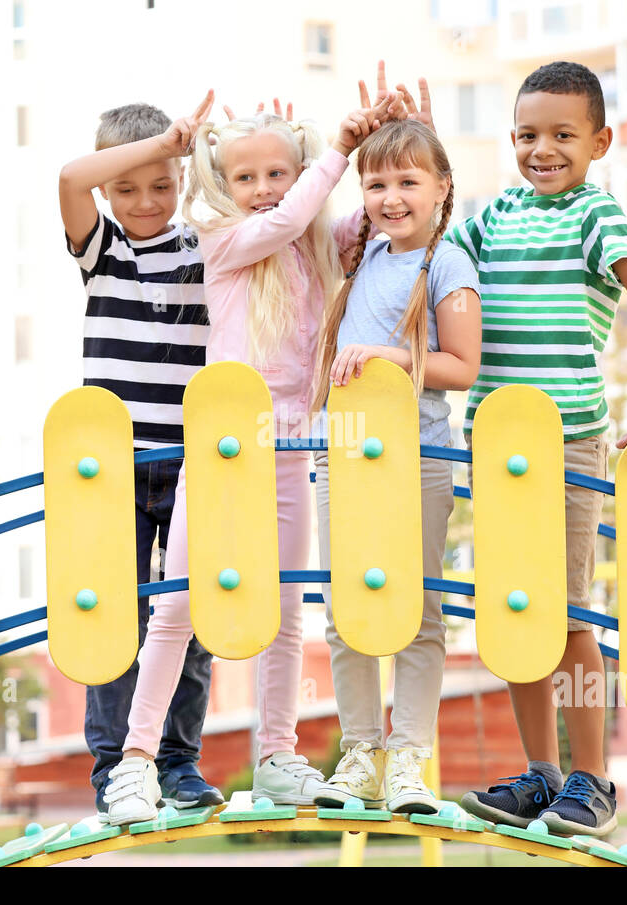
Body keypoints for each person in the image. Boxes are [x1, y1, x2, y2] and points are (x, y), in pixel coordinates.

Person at [103, 94, 399, 825]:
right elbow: (291, 216)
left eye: (278, 172)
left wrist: (387, 142)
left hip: (292, 450)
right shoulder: (223, 242)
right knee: (174, 608)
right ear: (223, 189)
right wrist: (337, 151)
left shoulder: (316, 244)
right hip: (223, 450)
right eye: (247, 178)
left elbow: (386, 221)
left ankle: (274, 756)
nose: (263, 187)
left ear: (297, 170)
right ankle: (134, 762)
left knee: (287, 608)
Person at [448, 61, 627, 837]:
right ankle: (540, 773)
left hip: (567, 439)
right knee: (515, 609)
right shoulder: (491, 217)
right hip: (495, 440)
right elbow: (429, 261)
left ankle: (592, 779)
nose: (541, 149)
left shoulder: (596, 216)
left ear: (599, 141)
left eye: (561, 135)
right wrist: (403, 150)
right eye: (526, 135)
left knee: (570, 615)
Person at [57, 94, 226, 818]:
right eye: (127, 187)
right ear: (108, 190)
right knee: (112, 615)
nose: (147, 200)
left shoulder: (205, 247)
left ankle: (178, 763)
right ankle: (112, 767)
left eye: (162, 184)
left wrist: (192, 154)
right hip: (113, 468)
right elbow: (69, 177)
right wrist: (163, 142)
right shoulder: (103, 247)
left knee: (188, 617)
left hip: (194, 463)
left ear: (183, 181)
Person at [307, 117, 481, 814]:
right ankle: (359, 755)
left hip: (418, 458)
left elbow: (462, 366)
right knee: (344, 609)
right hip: (343, 460)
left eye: (408, 181)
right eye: (377, 184)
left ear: (442, 188)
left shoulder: (447, 263)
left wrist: (391, 357)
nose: (391, 197)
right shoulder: (363, 257)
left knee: (417, 611)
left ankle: (407, 756)